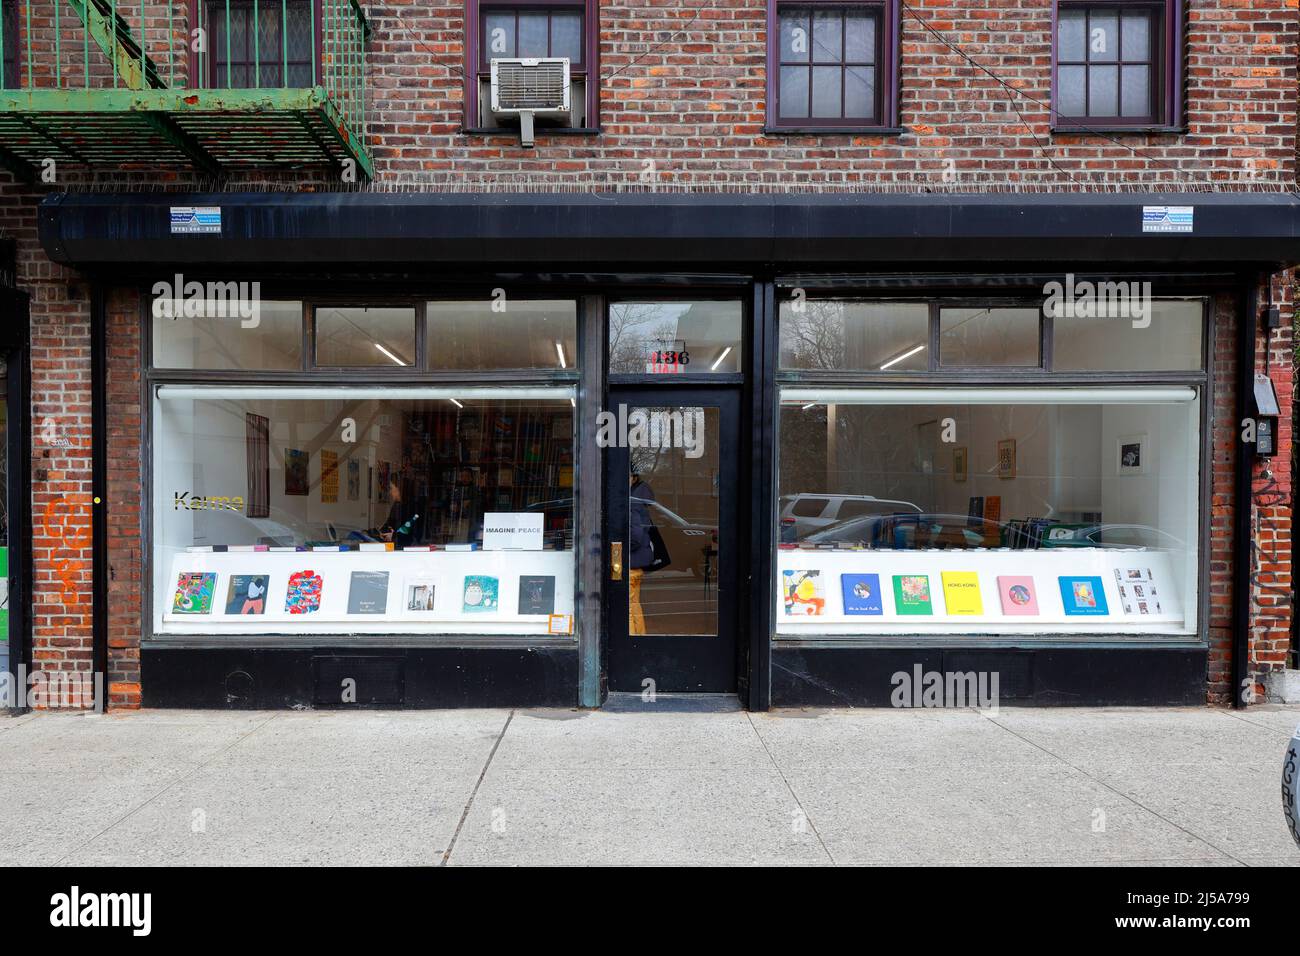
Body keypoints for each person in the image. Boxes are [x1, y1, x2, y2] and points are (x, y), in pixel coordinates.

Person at [628, 470, 656, 635]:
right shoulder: (639, 503)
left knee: (628, 610)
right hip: (637, 564)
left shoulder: (631, 503)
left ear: (633, 479)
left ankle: (631, 642)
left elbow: (636, 536)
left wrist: (623, 551)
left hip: (631, 564)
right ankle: (639, 637)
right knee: (634, 605)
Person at [380, 476, 422, 548]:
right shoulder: (396, 506)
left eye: (392, 488)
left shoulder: (411, 507)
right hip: (397, 545)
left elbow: (409, 529)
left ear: (399, 489)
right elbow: (389, 523)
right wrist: (382, 531)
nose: (390, 492)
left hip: (406, 548)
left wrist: (393, 535)